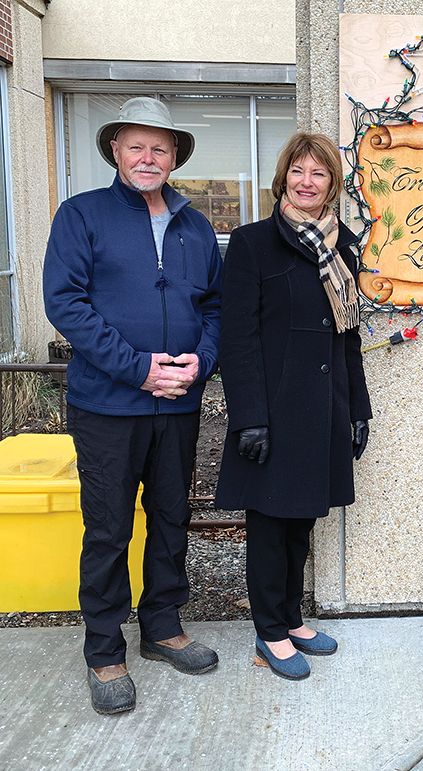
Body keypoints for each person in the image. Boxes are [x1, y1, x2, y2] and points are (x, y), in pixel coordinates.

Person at [43, 97, 223, 715]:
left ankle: (163, 626)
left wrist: (200, 360)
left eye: (160, 148)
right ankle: (103, 648)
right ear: (116, 151)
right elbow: (65, 304)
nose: (148, 158)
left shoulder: (194, 225)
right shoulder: (81, 215)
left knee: (173, 515)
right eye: (136, 146)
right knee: (110, 526)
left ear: (174, 157)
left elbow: (215, 307)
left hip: (179, 403)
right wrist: (137, 369)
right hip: (107, 406)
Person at [215, 133, 371, 681]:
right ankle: (269, 631)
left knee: (302, 520)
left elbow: (346, 336)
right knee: (268, 524)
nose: (307, 181)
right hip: (274, 413)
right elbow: (237, 337)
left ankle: (291, 618)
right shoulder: (253, 243)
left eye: (319, 173)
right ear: (283, 178)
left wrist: (358, 407)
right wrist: (249, 418)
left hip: (323, 408)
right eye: (298, 171)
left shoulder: (342, 246)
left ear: (332, 184)